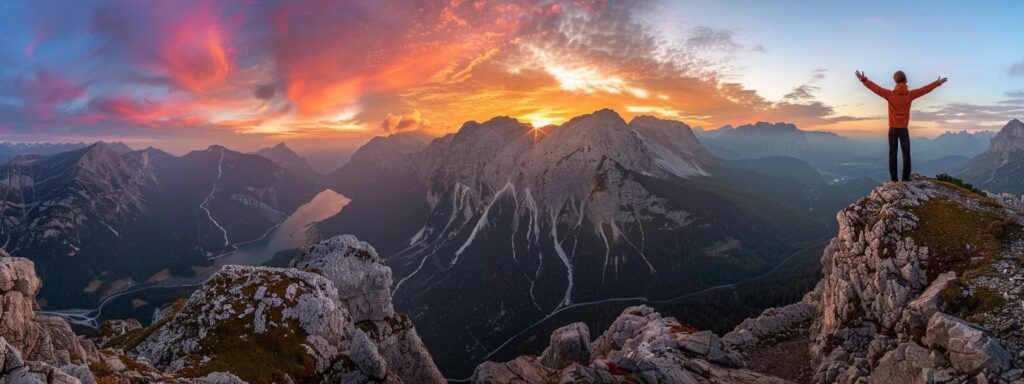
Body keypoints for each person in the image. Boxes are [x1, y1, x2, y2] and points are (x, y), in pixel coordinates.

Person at [856, 70, 947, 182]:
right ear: (906, 80)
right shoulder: (910, 95)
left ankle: (894, 180)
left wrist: (864, 80)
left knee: (892, 154)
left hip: (893, 129)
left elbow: (876, 89)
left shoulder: (890, 95)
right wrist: (937, 83)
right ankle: (905, 178)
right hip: (904, 130)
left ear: (895, 81)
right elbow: (924, 90)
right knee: (906, 154)